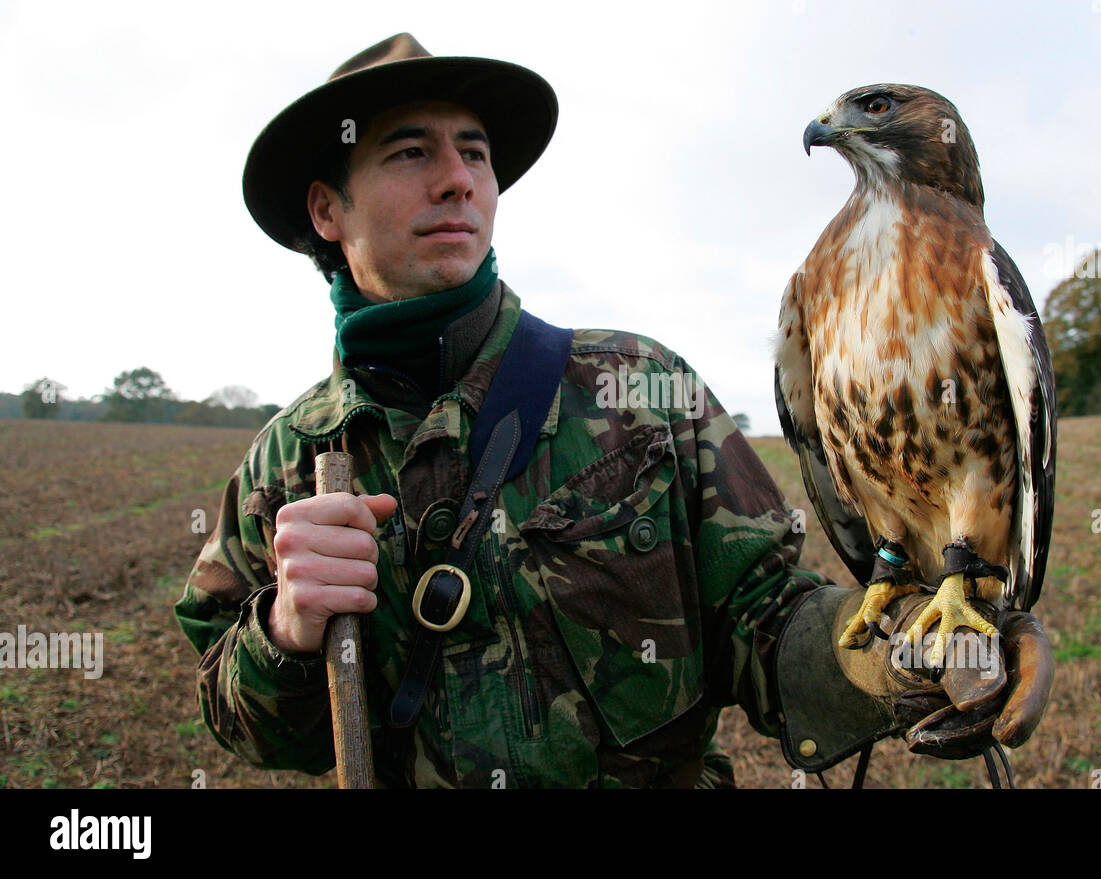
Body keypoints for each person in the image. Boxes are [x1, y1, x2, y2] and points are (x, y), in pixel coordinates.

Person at [174, 33, 1053, 789]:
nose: (457, 181)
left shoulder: (640, 386)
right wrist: (289, 631)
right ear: (327, 208)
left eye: (474, 152)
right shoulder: (286, 464)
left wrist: (896, 658)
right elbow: (244, 723)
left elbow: (766, 618)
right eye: (410, 152)